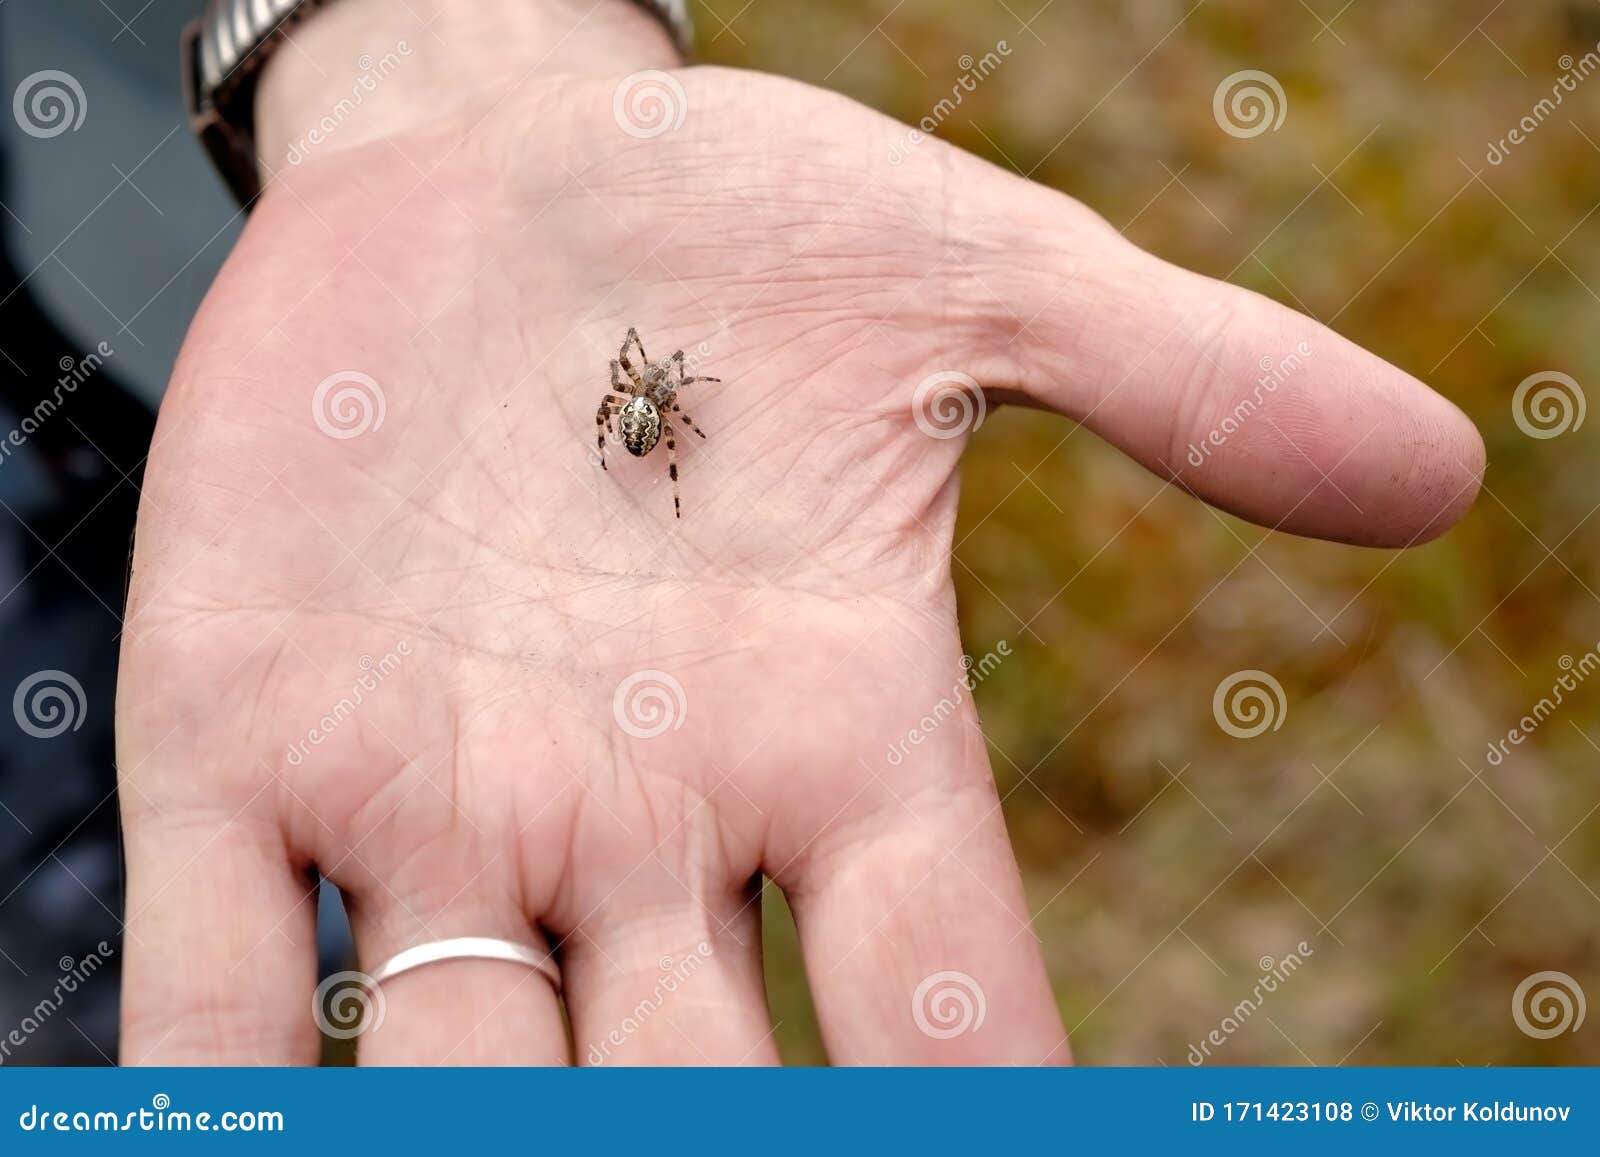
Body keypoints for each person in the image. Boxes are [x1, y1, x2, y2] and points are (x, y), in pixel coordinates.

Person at [118, 0, 1485, 1065]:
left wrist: (447, 46)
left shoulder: (646, 391)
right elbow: (642, 399)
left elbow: (644, 399)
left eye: (650, 395)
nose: (650, 398)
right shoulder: (644, 393)